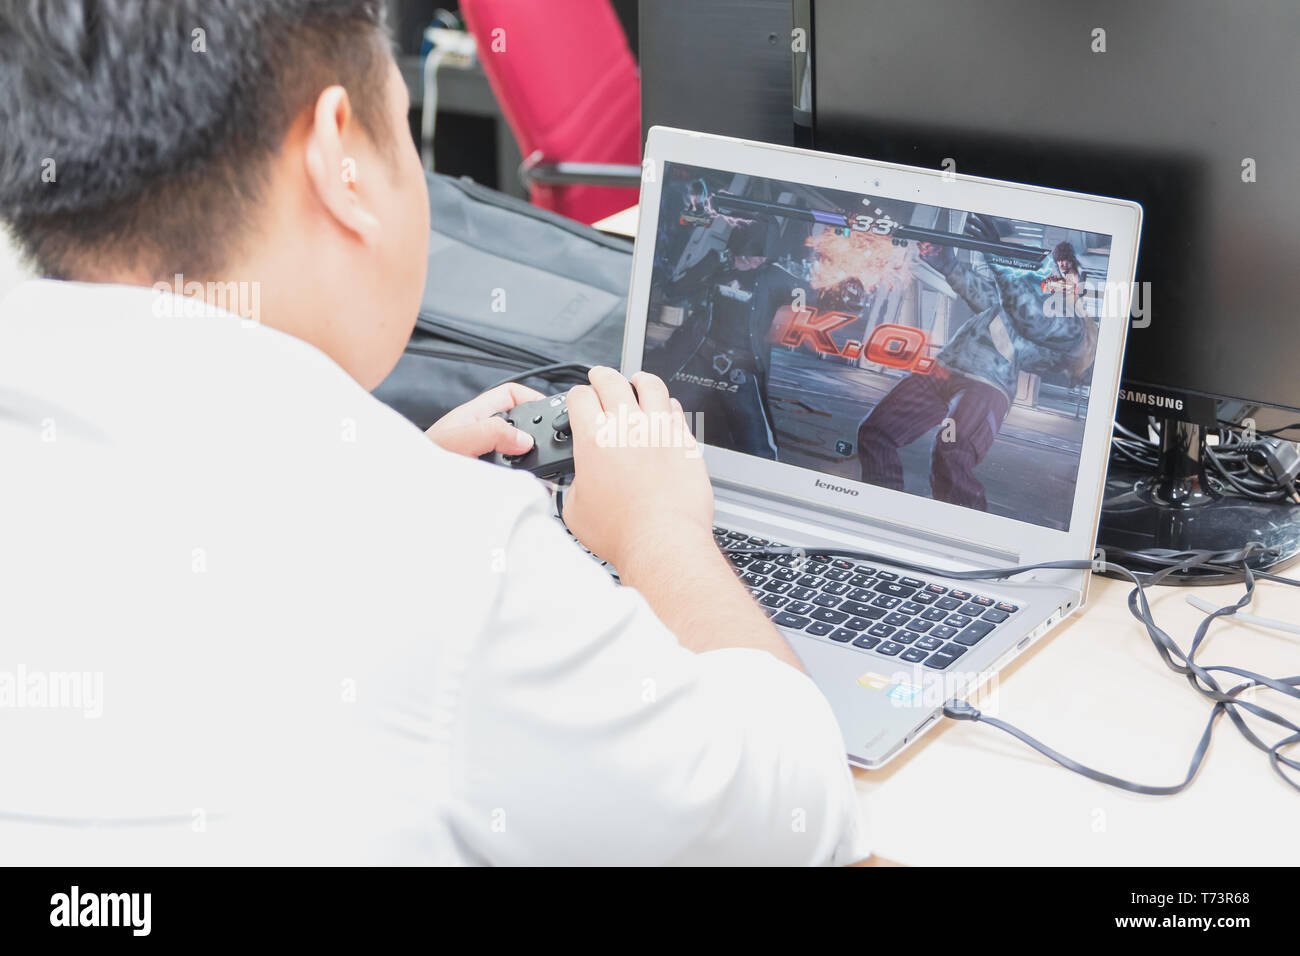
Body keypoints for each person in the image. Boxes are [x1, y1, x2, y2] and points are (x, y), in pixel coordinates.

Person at [0, 1, 866, 865]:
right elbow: (796, 816)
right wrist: (660, 532)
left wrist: (380, 479)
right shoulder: (455, 573)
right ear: (340, 158)